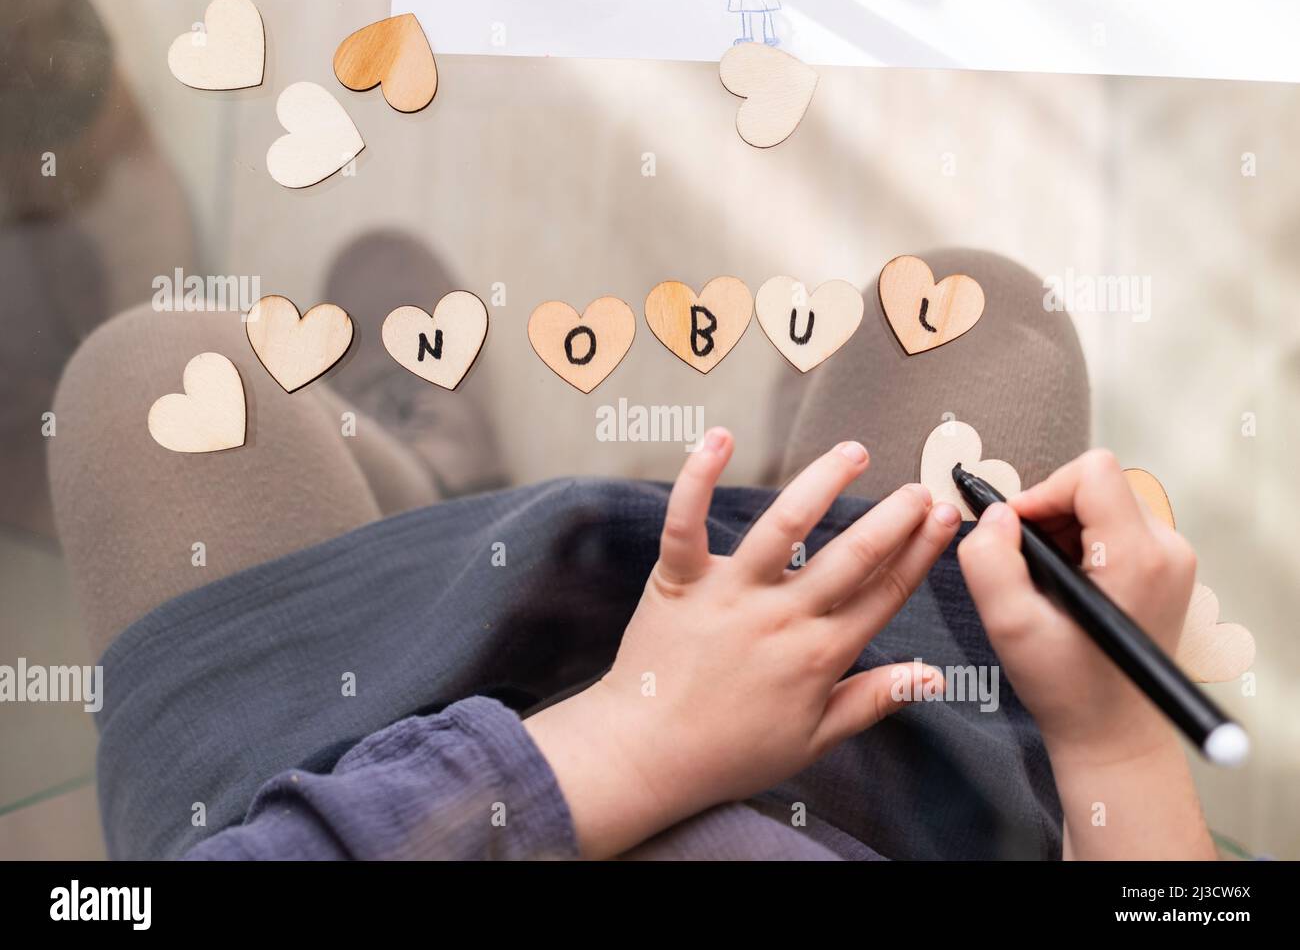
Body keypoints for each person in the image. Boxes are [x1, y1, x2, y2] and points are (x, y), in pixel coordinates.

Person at [50, 249, 1214, 859]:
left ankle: (442, 495)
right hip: (880, 806)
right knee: (984, 307)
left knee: (149, 375)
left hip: (363, 785)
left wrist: (628, 743)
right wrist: (1115, 750)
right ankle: (759, 511)